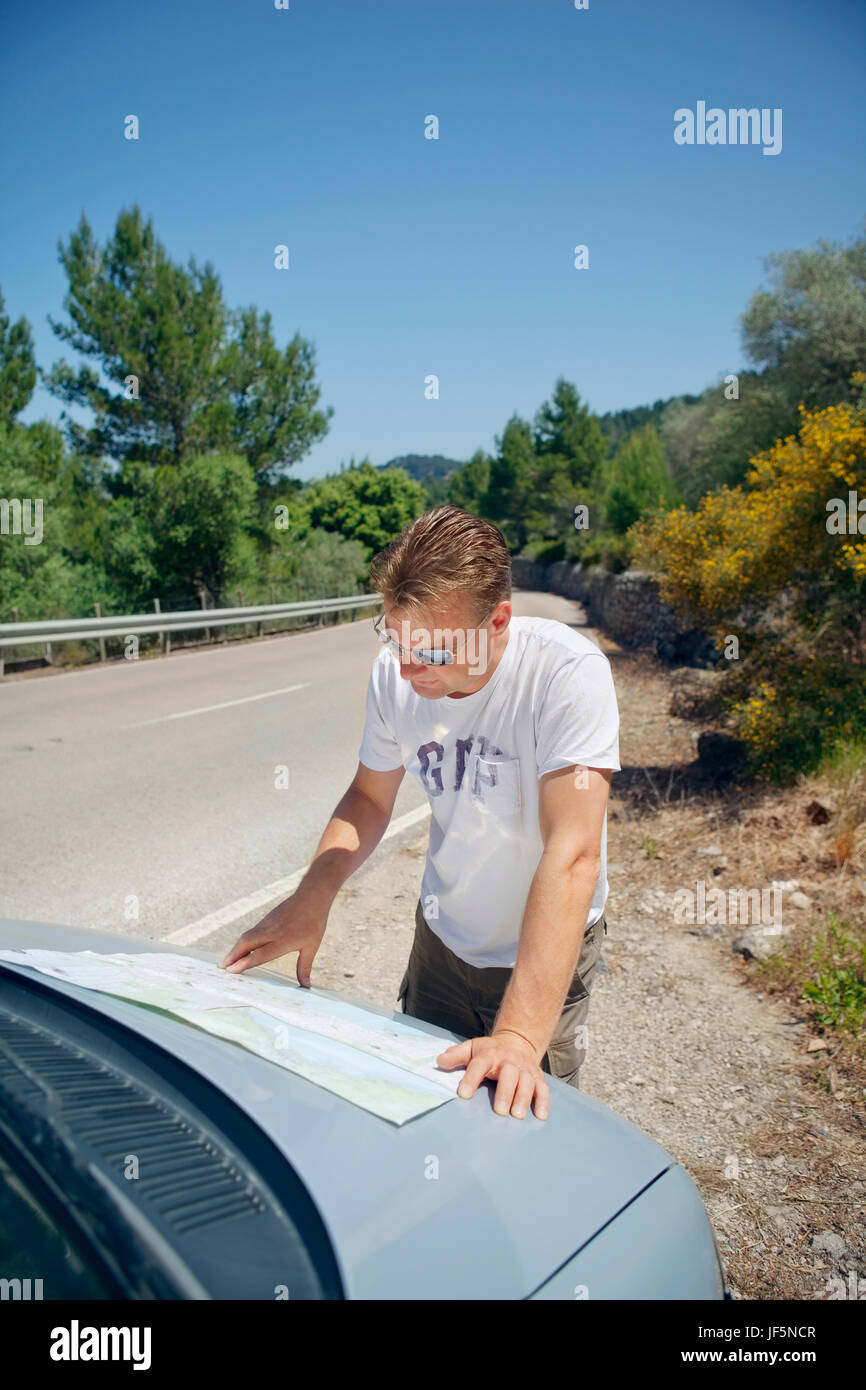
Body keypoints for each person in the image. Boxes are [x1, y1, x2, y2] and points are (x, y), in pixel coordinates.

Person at [220, 504, 620, 1120]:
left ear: (497, 622)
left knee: (521, 1125)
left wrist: (517, 1036)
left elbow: (574, 852)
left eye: (430, 651)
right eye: (394, 638)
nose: (406, 669)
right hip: (441, 940)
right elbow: (368, 797)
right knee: (423, 1111)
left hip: (542, 952)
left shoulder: (567, 673)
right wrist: (313, 896)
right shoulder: (397, 676)